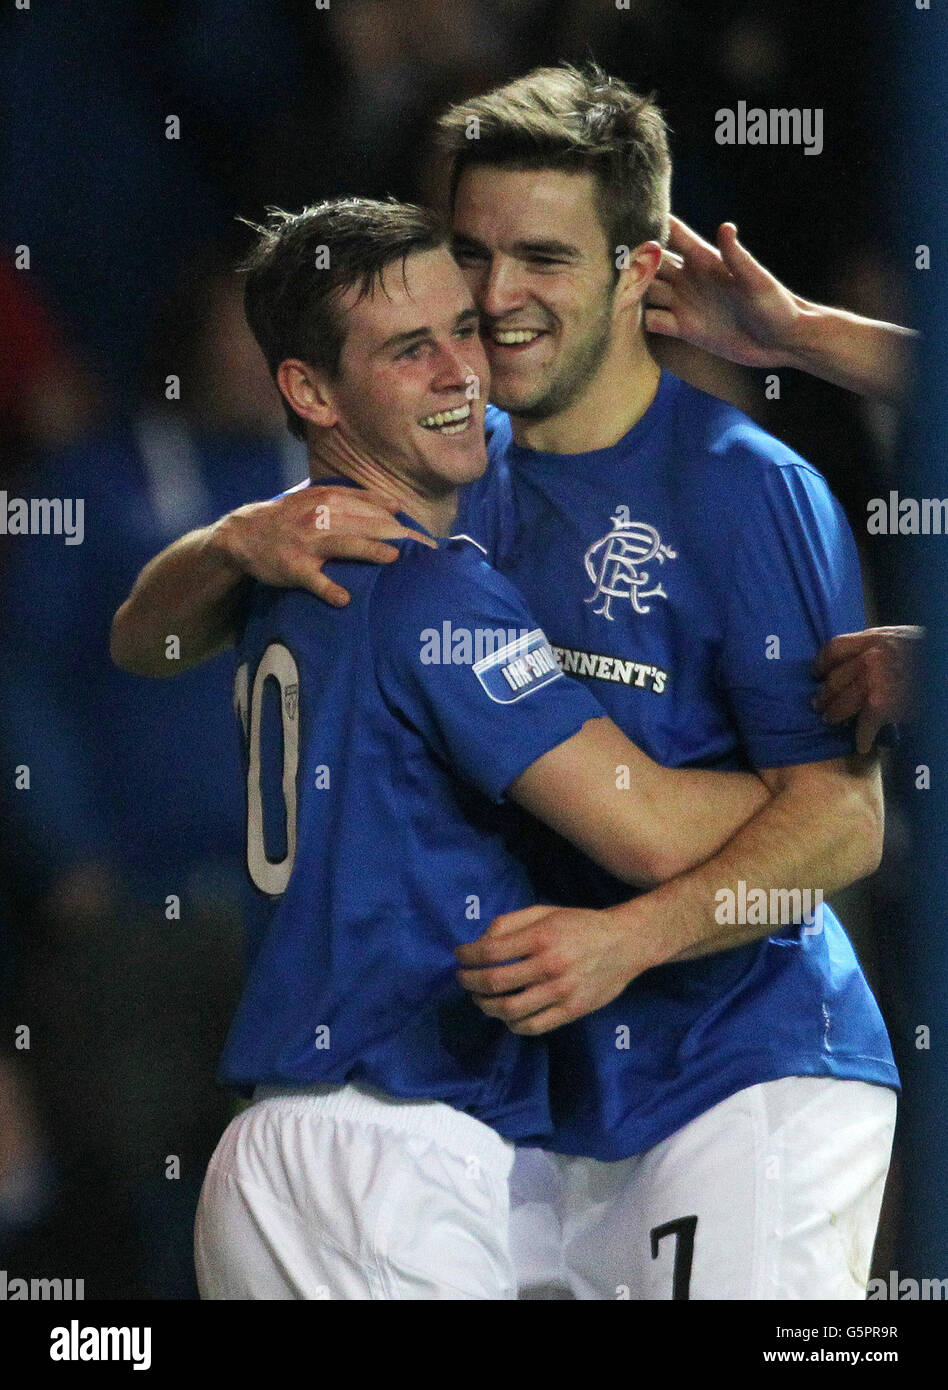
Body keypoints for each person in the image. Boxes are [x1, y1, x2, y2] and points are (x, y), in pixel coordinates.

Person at [114, 65, 897, 1300]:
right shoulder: (433, 475)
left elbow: (846, 817)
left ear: (640, 270)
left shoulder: (746, 490)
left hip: (742, 1061)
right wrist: (230, 541)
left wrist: (628, 941)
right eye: (473, 254)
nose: (496, 298)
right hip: (538, 1106)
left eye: (544, 258)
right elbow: (144, 642)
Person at [181, 197, 772, 1300]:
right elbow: (645, 830)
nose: (463, 368)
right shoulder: (425, 586)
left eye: (465, 328)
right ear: (309, 391)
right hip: (381, 1156)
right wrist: (819, 799)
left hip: (340, 1150)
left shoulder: (286, 551)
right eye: (413, 349)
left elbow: (141, 635)